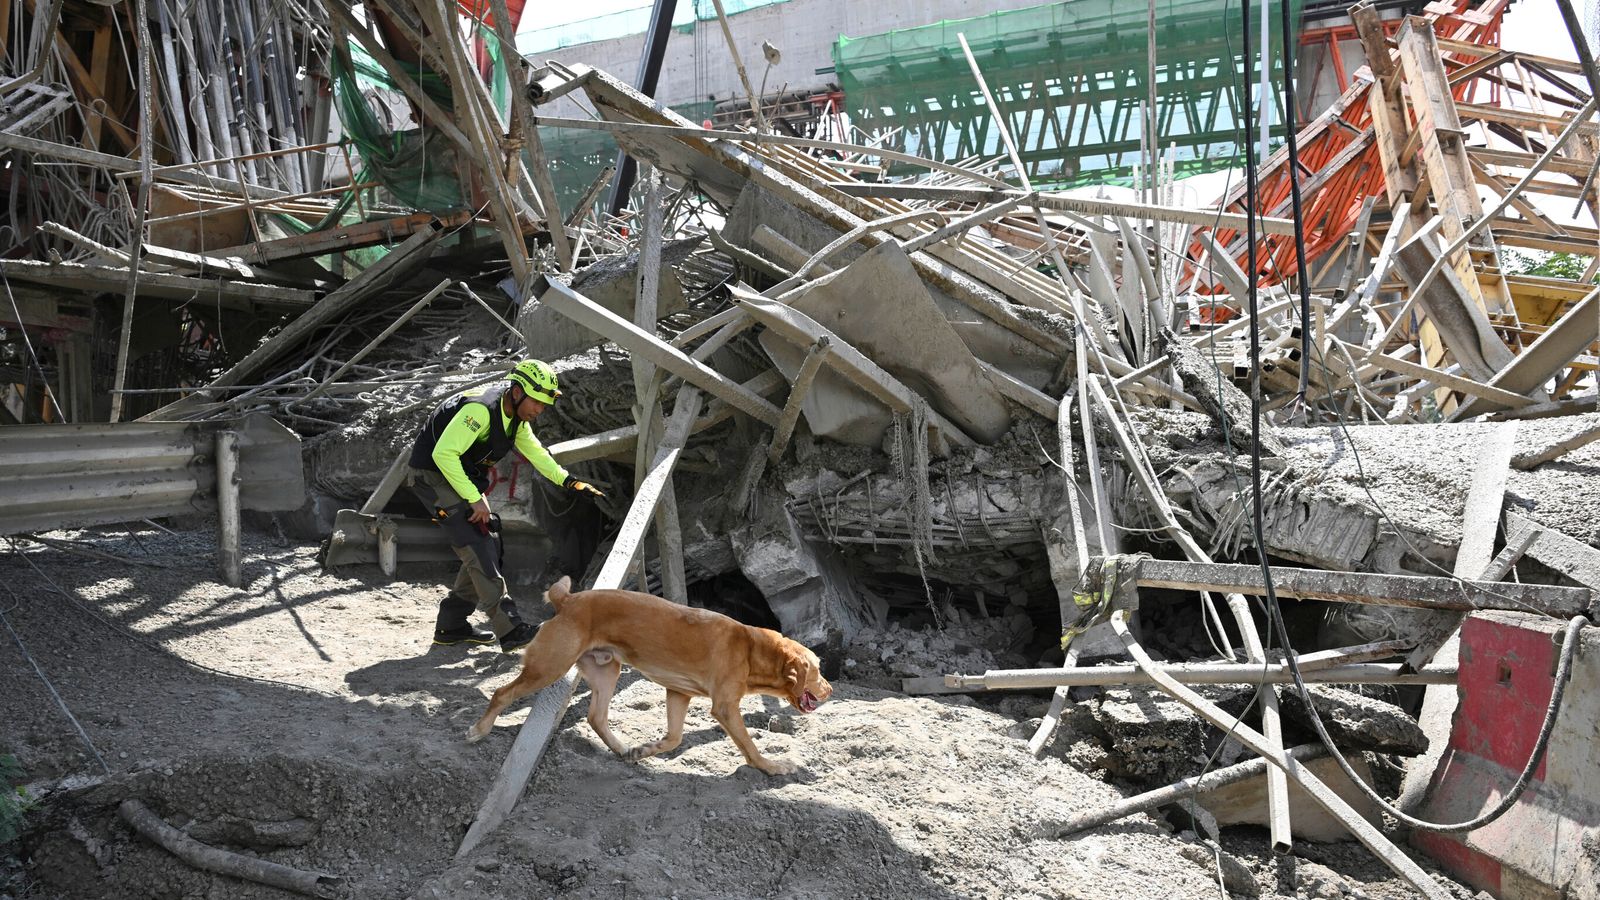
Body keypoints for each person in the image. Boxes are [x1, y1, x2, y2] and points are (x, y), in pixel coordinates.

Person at [407, 360, 603, 652]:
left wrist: (570, 482)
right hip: (432, 476)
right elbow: (444, 454)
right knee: (477, 545)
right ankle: (510, 630)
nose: (539, 410)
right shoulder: (480, 410)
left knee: (489, 540)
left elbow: (537, 454)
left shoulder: (515, 419)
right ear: (517, 391)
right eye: (536, 402)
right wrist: (473, 497)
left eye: (543, 405)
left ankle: (452, 626)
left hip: (457, 476)